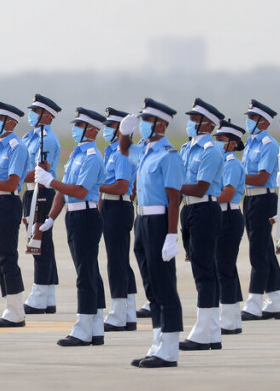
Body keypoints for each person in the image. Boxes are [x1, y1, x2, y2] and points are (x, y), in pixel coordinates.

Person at [119, 99, 183, 368]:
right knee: (151, 285)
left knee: (164, 284)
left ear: (161, 124)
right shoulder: (145, 153)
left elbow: (174, 198)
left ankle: (169, 347)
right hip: (142, 221)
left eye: (147, 121)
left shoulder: (168, 156)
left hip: (159, 223)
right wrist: (124, 131)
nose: (143, 125)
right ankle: (158, 341)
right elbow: (124, 150)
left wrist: (171, 235)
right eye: (142, 120)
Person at [35, 108, 107, 346]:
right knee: (88, 271)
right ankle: (96, 327)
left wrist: (50, 180)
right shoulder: (77, 155)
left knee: (85, 274)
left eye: (80, 125)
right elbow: (63, 192)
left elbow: (79, 191)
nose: (75, 128)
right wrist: (51, 218)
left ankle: (83, 328)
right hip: (74, 216)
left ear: (92, 130)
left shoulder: (92, 157)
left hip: (86, 215)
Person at [178, 99, 226, 351]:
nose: (191, 123)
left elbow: (200, 186)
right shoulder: (188, 149)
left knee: (205, 271)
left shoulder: (211, 150)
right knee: (200, 269)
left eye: (196, 119)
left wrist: (171, 185)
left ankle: (203, 332)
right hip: (189, 209)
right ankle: (212, 332)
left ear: (208, 124)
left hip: (205, 208)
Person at [0, 102, 30, 328]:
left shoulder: (16, 147)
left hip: (7, 201)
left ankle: (15, 309)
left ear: (11, 122)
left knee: (7, 255)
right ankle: (11, 306)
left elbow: (12, 182)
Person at [241, 100, 280, 321]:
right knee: (264, 249)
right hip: (249, 200)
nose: (249, 122)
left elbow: (261, 177)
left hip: (264, 200)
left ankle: (254, 303)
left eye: (253, 118)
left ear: (264, 121)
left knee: (258, 251)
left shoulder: (268, 144)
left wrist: (235, 176)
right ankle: (275, 302)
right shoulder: (250, 143)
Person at [21, 94, 62, 318]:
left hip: (41, 192)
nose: (32, 115)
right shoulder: (31, 136)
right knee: (42, 243)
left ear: (46, 116)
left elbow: (39, 171)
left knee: (39, 244)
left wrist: (12, 178)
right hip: (30, 192)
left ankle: (38, 297)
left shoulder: (48, 139)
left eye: (36, 112)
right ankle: (48, 297)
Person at [99, 108, 139, 332]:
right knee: (120, 259)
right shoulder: (111, 151)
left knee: (116, 261)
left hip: (118, 204)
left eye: (108, 126)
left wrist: (95, 186)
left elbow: (123, 186)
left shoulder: (122, 152)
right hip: (110, 204)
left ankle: (118, 314)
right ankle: (129, 312)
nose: (105, 130)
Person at [214, 120, 246, 335]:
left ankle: (227, 320)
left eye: (221, 140)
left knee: (224, 267)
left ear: (232, 144)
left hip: (229, 214)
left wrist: (203, 195)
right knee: (226, 267)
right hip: (221, 214)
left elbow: (226, 194)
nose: (217, 143)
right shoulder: (220, 161)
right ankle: (233, 318)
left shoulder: (232, 164)